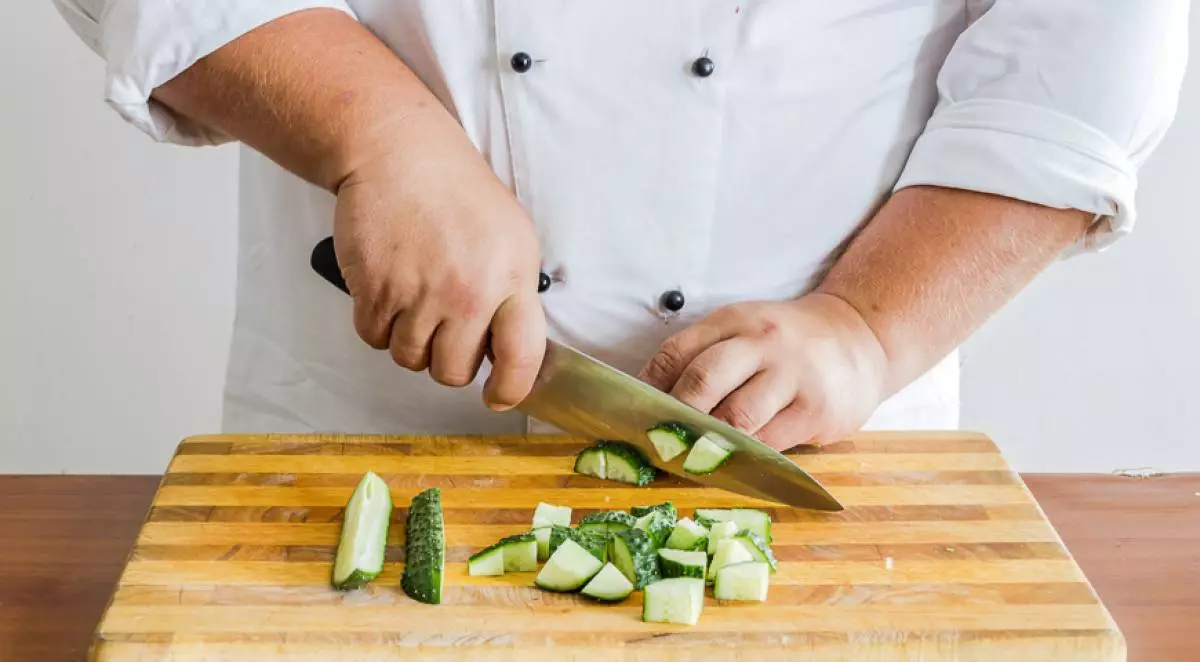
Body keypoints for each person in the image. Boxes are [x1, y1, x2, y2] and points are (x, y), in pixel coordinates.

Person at [52, 1, 1188, 449]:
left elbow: (1088, 39)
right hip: (375, 414)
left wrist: (868, 328)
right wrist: (379, 137)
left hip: (826, 428)